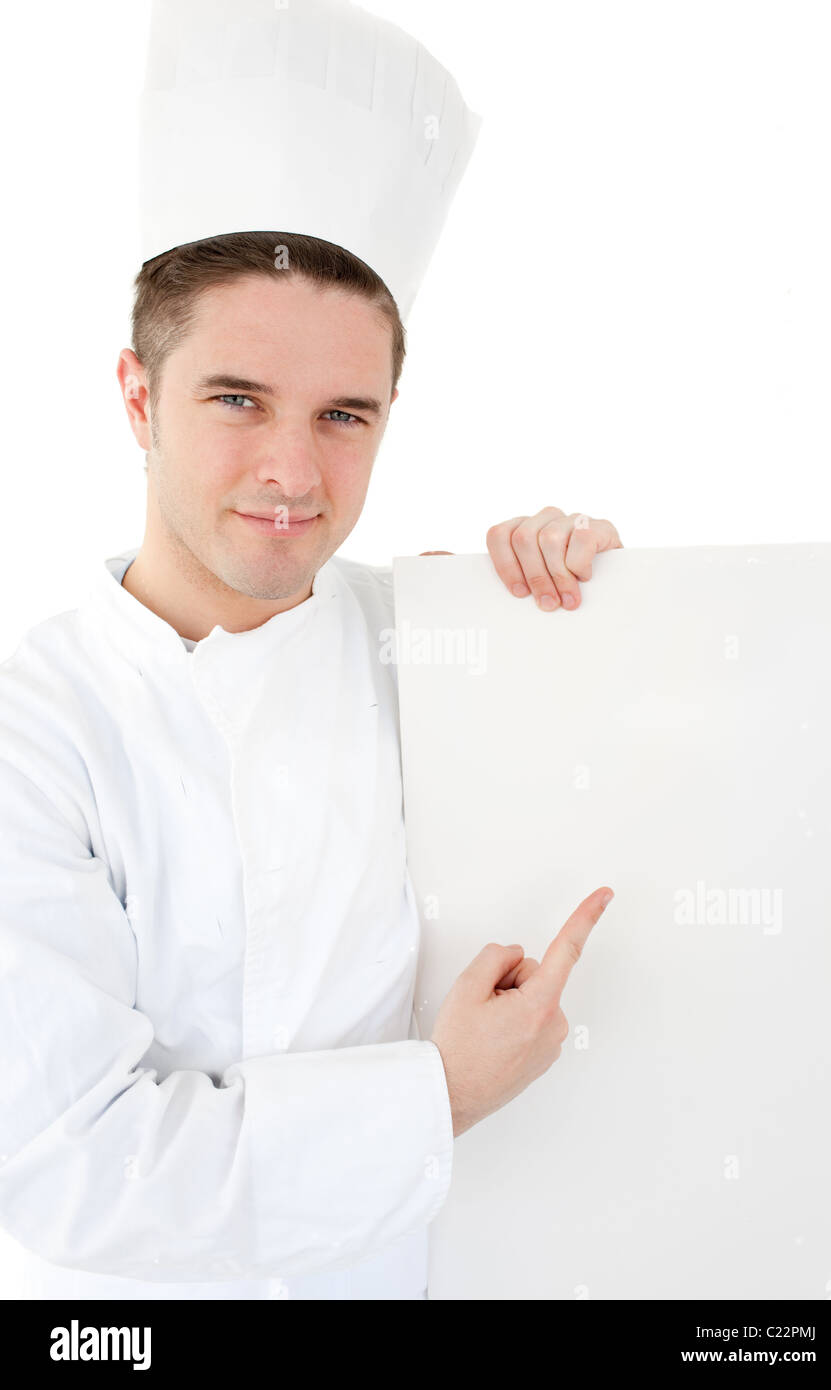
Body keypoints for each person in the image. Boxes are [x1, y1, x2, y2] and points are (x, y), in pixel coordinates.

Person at [0, 0, 622, 1302]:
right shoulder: (33, 722)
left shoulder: (435, 644)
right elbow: (69, 1166)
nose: (294, 473)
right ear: (136, 395)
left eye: (346, 413)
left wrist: (579, 617)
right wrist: (437, 1094)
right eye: (237, 398)